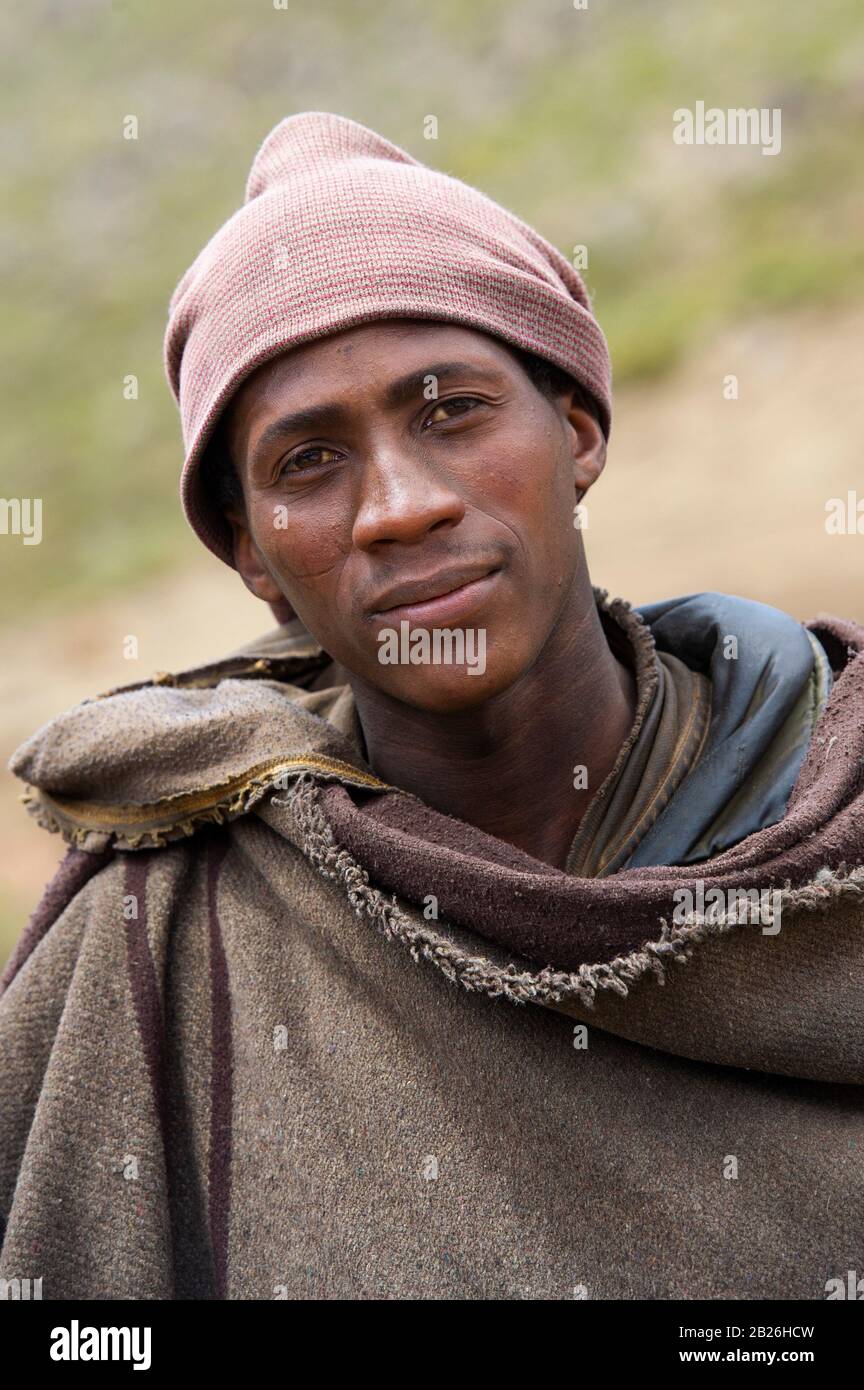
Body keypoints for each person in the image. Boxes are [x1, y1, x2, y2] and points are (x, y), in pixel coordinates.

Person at [1, 112, 862, 1301]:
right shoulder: (161, 944)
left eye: (450, 407)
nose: (398, 506)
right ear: (251, 555)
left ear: (576, 429)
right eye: (309, 460)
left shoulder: (835, 819)